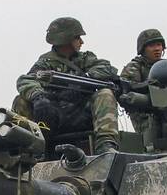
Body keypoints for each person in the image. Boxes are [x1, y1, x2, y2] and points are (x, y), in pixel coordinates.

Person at [14, 17, 120, 152]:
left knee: (105, 93)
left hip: (80, 112)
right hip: (54, 115)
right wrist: (39, 97)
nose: (82, 42)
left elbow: (107, 68)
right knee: (21, 100)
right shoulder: (45, 63)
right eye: (78, 38)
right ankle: (28, 149)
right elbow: (25, 80)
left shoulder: (84, 59)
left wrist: (83, 80)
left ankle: (106, 144)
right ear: (67, 39)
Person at [120, 29, 167, 139]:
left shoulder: (166, 66)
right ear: (143, 49)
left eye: (159, 45)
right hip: (147, 117)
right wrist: (147, 86)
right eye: (152, 46)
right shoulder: (135, 67)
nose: (157, 49)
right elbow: (127, 90)